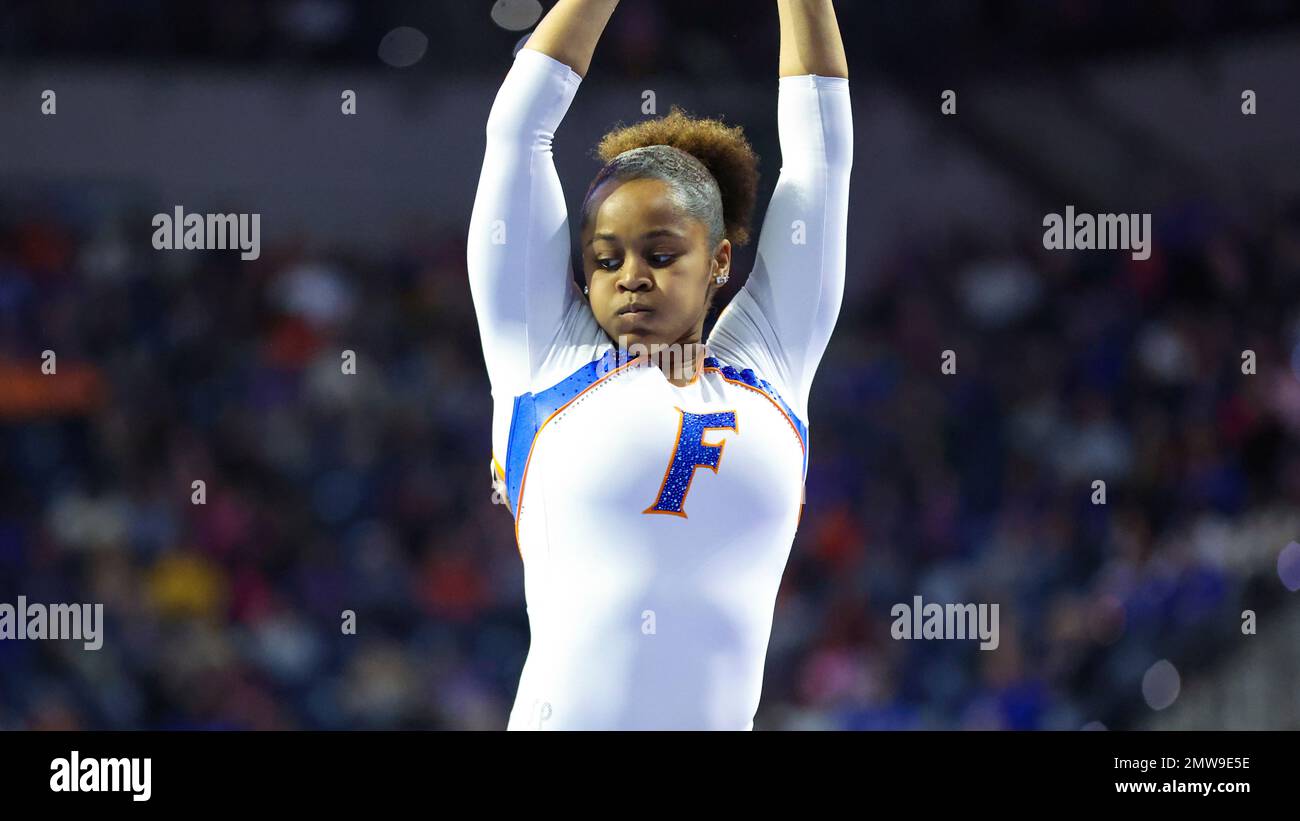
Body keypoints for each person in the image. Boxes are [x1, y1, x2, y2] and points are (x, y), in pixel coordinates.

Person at [467, 0, 851, 729]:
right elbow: (517, 133)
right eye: (605, 260)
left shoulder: (772, 366)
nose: (631, 277)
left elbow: (823, 158)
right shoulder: (544, 362)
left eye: (663, 254)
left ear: (720, 261)